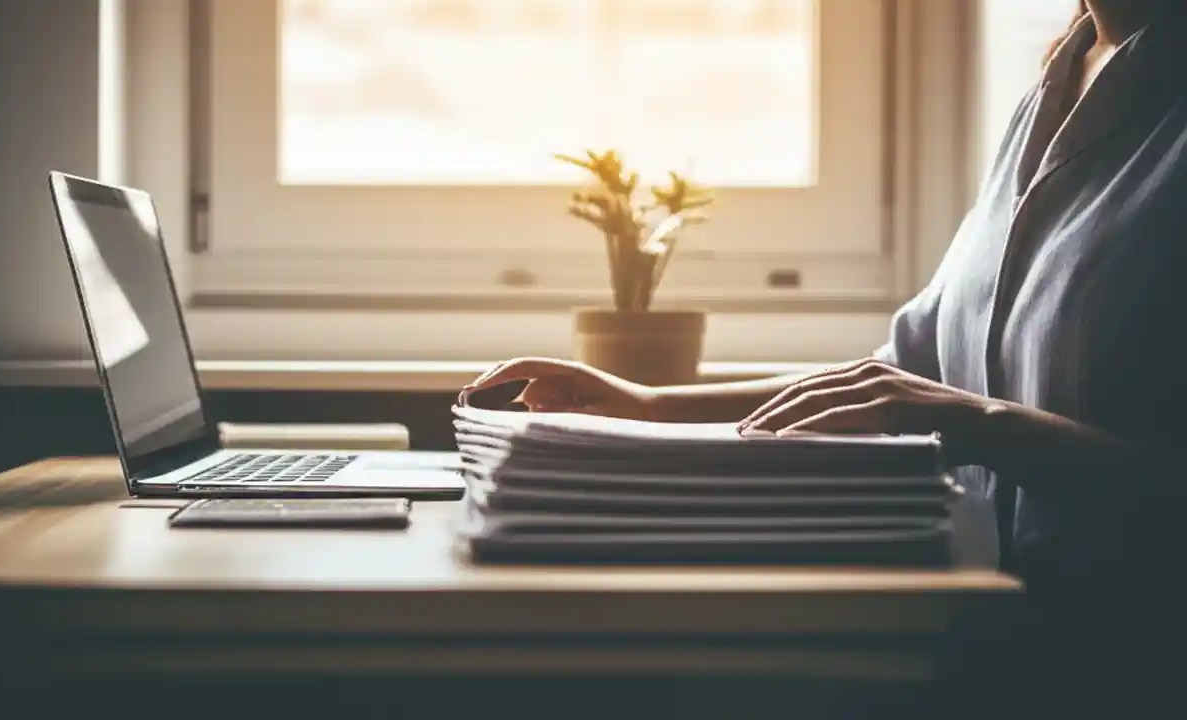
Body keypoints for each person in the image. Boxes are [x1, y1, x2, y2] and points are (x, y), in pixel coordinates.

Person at [463, 1, 1187, 710]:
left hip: (1123, 667)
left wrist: (991, 425)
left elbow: (956, 409)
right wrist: (650, 404)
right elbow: (901, 376)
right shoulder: (1056, 86)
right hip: (977, 651)